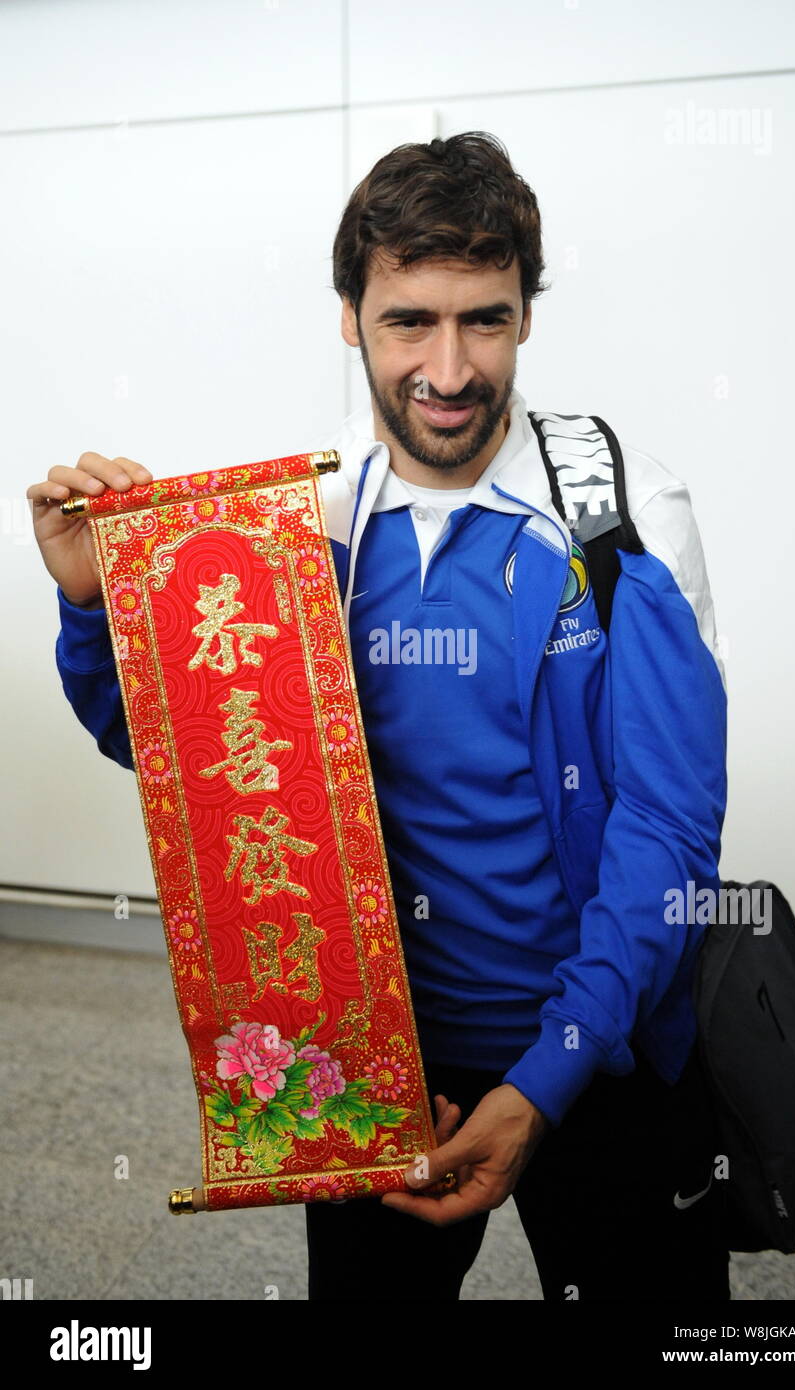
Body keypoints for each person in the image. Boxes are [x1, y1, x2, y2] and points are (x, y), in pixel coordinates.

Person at [27, 130, 731, 1302]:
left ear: (525, 315)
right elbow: (185, 758)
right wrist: (96, 608)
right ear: (350, 315)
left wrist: (549, 1074)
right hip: (369, 1068)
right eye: (410, 319)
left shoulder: (620, 513)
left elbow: (668, 826)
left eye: (485, 319)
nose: (450, 370)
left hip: (600, 1046)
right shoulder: (305, 532)